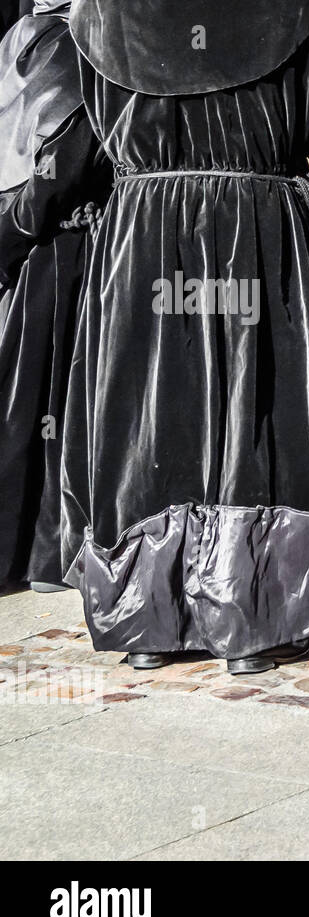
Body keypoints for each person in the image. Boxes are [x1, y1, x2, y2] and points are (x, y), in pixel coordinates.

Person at [62, 0, 309, 674]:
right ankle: (253, 609)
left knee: (151, 406)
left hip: (145, 225)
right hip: (253, 220)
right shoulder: (293, 13)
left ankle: (148, 614)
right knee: (253, 403)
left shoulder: (105, 14)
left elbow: (90, 117)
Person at [0, 0, 107, 593]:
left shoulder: (19, 38)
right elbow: (61, 174)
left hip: (25, 256)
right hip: (61, 255)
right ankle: (48, 552)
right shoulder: (82, 46)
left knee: (25, 406)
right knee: (56, 403)